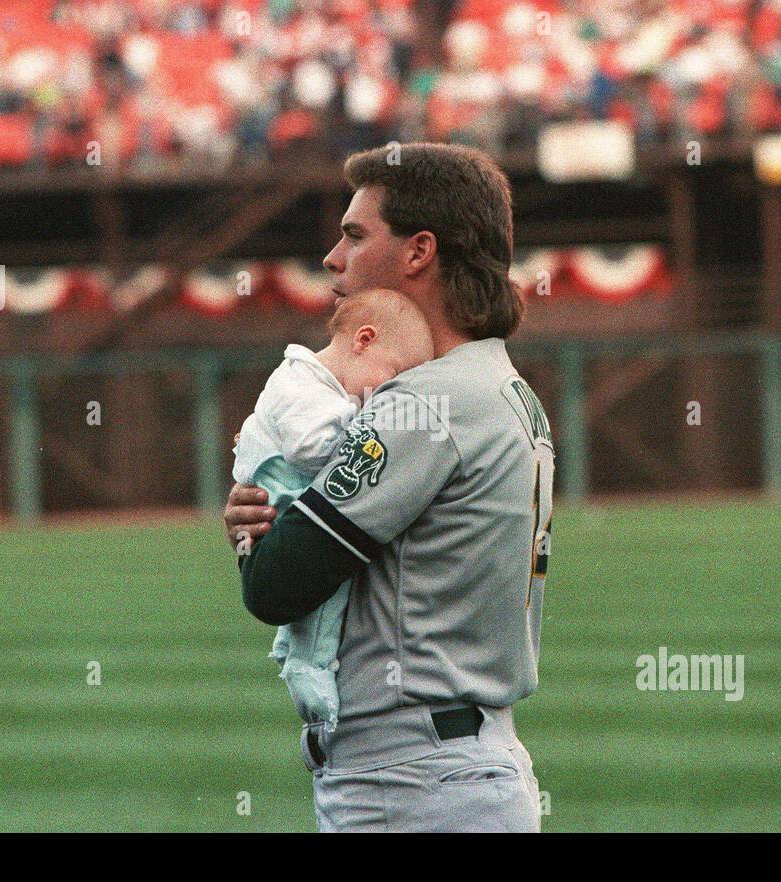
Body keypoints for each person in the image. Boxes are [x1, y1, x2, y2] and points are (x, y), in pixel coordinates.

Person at [227, 142, 554, 832]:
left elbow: (276, 585)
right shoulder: (498, 382)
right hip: (460, 764)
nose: (332, 258)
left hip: (415, 781)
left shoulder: (424, 400)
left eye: (354, 235)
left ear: (418, 252)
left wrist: (256, 526)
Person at [232, 289, 434, 732]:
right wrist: (371, 430)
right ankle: (307, 667)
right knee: (325, 589)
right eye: (393, 375)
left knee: (320, 583)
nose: (389, 391)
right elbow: (312, 448)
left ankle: (294, 650)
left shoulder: (318, 385)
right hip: (283, 489)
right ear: (363, 340)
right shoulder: (302, 381)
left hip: (285, 493)